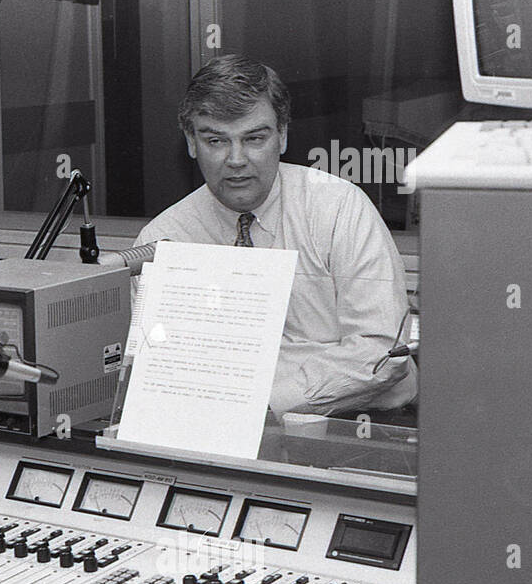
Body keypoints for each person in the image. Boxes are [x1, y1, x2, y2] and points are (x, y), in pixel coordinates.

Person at [132, 54, 417, 417]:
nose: (236, 160)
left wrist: (267, 405)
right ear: (191, 142)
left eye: (254, 138)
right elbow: (163, 370)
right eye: (216, 141)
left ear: (282, 135)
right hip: (218, 426)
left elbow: (382, 352)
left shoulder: (338, 208)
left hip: (365, 424)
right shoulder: (163, 240)